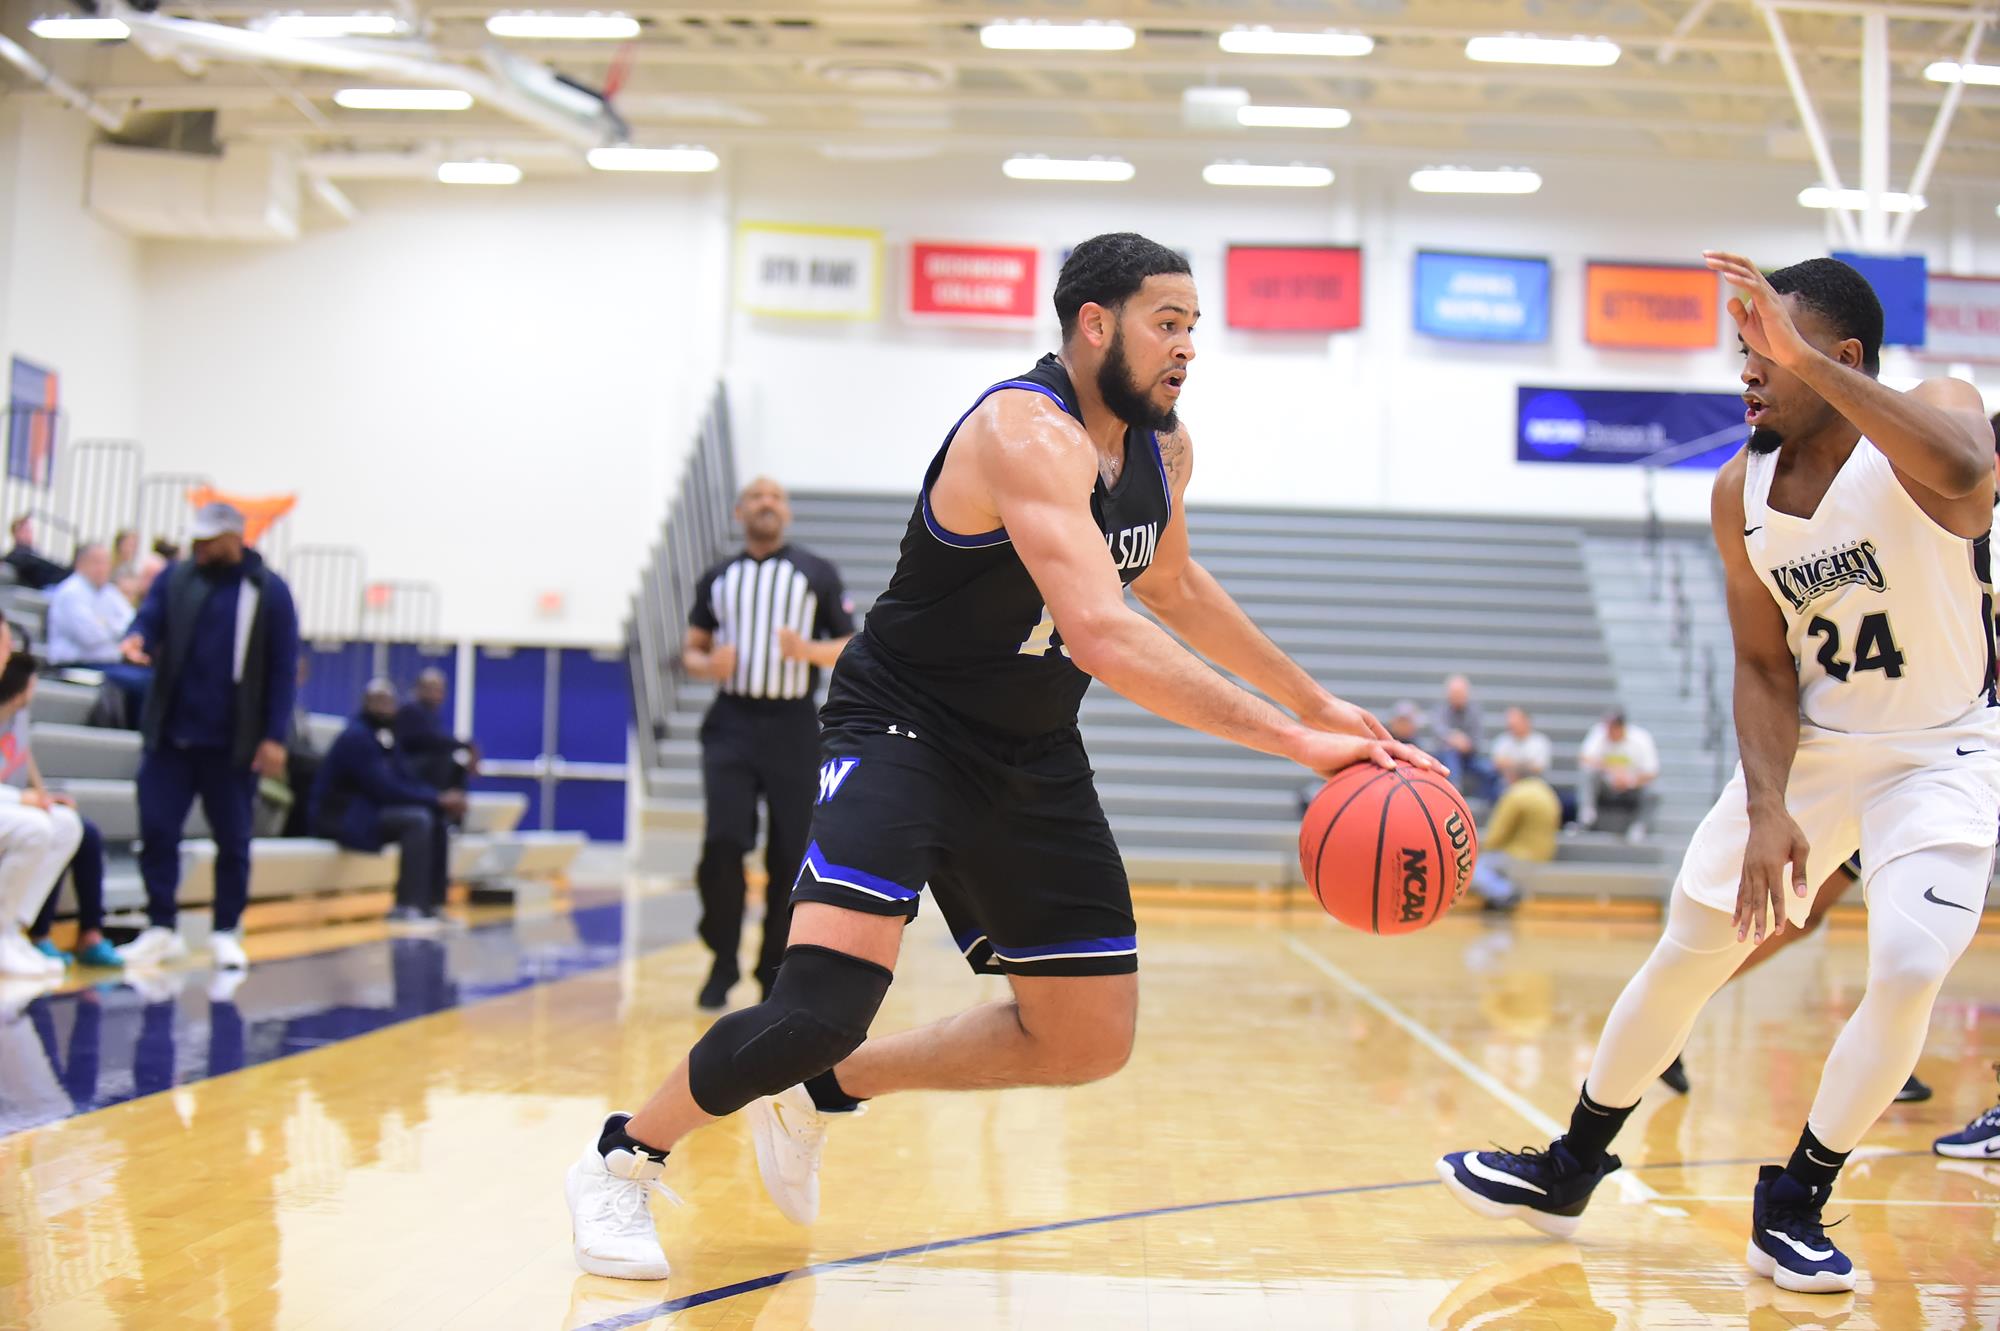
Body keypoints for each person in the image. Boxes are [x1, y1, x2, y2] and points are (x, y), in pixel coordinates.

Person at [561, 231, 1440, 1281]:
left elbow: (1171, 585)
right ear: (1093, 325)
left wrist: (1320, 701)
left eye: (1193, 327)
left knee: (1085, 1035)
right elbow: (1104, 633)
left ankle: (825, 1089)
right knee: (820, 1005)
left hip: (1029, 744)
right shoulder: (1022, 432)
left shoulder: (1163, 450)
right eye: (1167, 323)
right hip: (905, 725)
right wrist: (1294, 741)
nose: (1186, 347)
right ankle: (621, 1156)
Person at [1439, 253, 1999, 1295]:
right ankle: (1569, 1164)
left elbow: (1970, 471)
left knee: (1908, 965)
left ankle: (1795, 1198)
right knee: (1691, 949)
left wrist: (1813, 368)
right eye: (1744, 349)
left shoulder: (1937, 408)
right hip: (1818, 745)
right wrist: (1770, 804)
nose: (1747, 369)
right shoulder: (1740, 489)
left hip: (1941, 748)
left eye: (1770, 350)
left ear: (1842, 357)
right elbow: (1759, 662)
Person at [683, 476, 854, 1010]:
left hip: (792, 726)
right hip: (731, 724)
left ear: (787, 513)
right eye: (756, 497)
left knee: (788, 852)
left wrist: (807, 650)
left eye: (775, 497)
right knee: (723, 842)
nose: (766, 503)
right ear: (740, 512)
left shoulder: (815, 573)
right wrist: (707, 664)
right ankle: (722, 958)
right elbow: (691, 649)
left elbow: (849, 644)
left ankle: (771, 969)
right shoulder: (718, 577)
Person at [115, 502, 299, 972]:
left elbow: (282, 669)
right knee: (157, 830)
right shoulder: (176, 578)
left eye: (208, 541)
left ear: (233, 539)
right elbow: (150, 617)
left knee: (233, 841)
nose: (198, 548)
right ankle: (161, 927)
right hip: (172, 734)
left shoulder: (269, 591)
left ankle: (225, 931)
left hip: (232, 742)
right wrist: (137, 636)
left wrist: (274, 736)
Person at [313, 679, 465, 932]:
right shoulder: (356, 737)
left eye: (389, 703)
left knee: (437, 817)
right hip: (346, 816)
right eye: (378, 702)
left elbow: (407, 779)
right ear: (366, 704)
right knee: (418, 820)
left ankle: (433, 904)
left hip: (371, 812)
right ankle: (406, 905)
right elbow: (382, 788)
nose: (385, 709)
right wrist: (437, 799)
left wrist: (439, 798)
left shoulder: (388, 739)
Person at [0, 651, 109, 977]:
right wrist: (21, 798)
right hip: (8, 801)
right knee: (35, 828)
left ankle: (13, 930)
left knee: (68, 824)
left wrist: (43, 796)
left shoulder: (18, 719)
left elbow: (24, 757)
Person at [45, 541, 150, 721]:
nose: (103, 568)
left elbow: (133, 623)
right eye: (97, 562)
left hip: (107, 662)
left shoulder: (108, 592)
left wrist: (106, 626)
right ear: (81, 564)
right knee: (141, 682)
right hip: (76, 664)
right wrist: (117, 633)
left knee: (152, 678)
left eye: (106, 562)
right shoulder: (71, 592)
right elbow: (90, 637)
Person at [1469, 773, 1561, 912]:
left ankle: (1505, 892)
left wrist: (1480, 849)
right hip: (1544, 854)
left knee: (1472, 869)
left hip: (1518, 855)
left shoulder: (1516, 794)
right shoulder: (1546, 792)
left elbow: (1498, 833)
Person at [393, 668, 477, 796]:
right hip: (409, 769)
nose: (437, 694)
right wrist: (466, 745)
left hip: (424, 770)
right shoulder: (411, 710)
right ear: (419, 689)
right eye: (432, 689)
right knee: (442, 760)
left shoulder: (431, 714)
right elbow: (429, 740)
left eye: (440, 690)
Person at [1577, 709, 1659, 839]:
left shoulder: (1641, 738)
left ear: (1621, 727)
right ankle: (1587, 815)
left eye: (1613, 729)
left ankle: (1639, 827)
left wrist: (1630, 780)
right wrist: (1611, 770)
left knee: (1653, 792)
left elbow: (1652, 772)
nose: (1609, 733)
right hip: (1606, 784)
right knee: (1588, 774)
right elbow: (1584, 758)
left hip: (1632, 786)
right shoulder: (1599, 733)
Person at [1433, 675, 1495, 800]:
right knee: (1451, 755)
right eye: (1454, 694)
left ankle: (1487, 798)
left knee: (1490, 770)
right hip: (1446, 757)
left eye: (1460, 694)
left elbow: (1477, 739)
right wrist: (1455, 739)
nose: (1457, 697)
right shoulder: (1441, 710)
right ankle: (1455, 791)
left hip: (1469, 758)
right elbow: (1440, 732)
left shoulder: (1475, 712)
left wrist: (1466, 744)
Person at [1490, 706, 1551, 788]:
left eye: (1515, 722)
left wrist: (1511, 765)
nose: (1511, 725)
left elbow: (1538, 768)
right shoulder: (1502, 740)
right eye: (1510, 723)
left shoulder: (1540, 741)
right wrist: (1525, 764)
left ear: (1526, 721)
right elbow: (1497, 764)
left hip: (1533, 785)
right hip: (1506, 786)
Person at [3, 516, 67, 591]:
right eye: (26, 530)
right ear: (16, 533)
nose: (29, 534)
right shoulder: (16, 556)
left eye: (30, 530)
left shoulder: (35, 554)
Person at [111, 529, 142, 602]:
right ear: (119, 545)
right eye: (129, 544)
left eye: (134, 545)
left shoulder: (131, 568)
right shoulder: (111, 565)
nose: (132, 549)